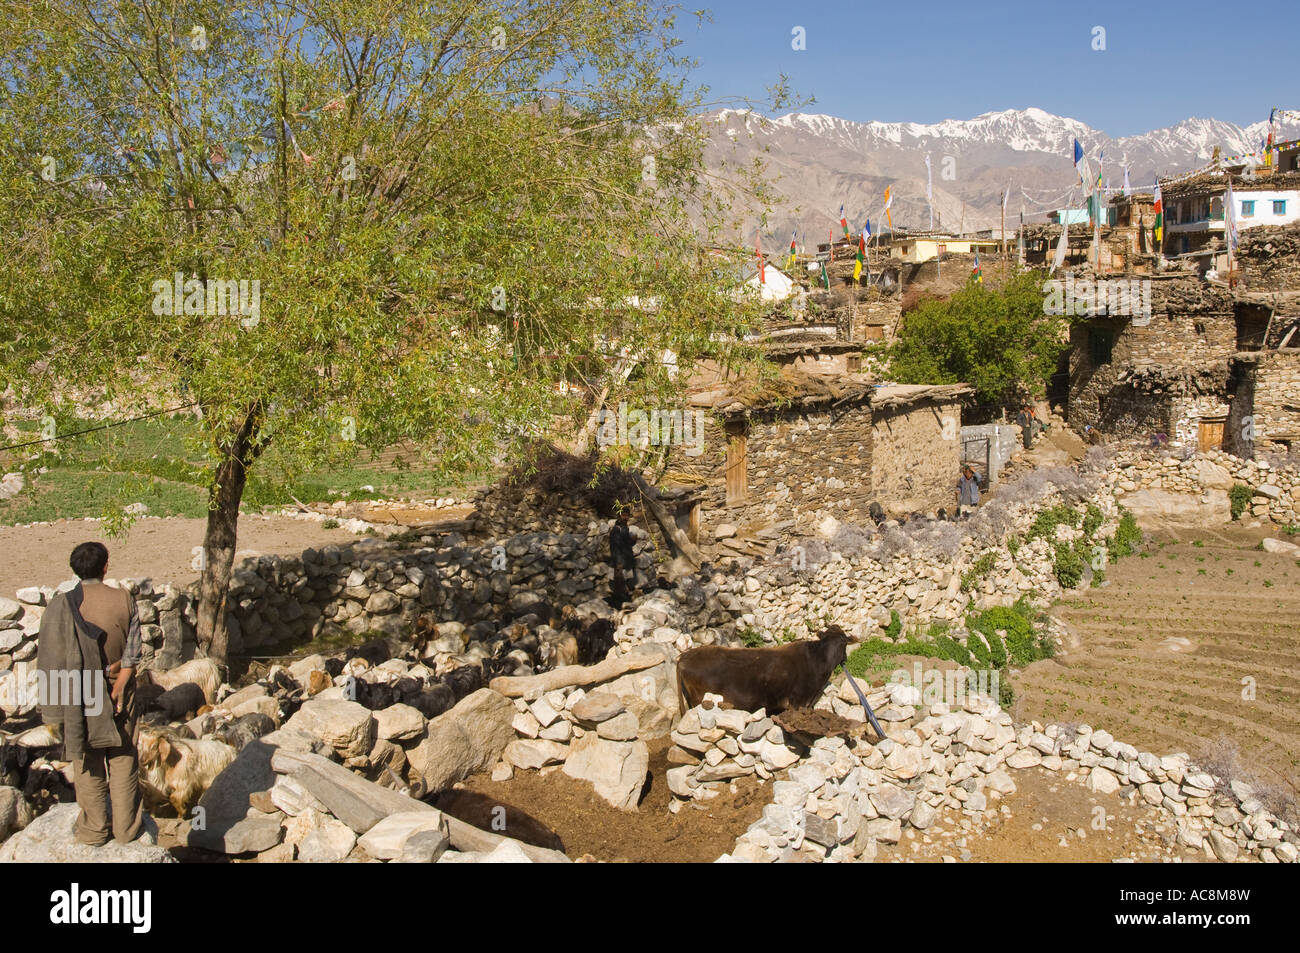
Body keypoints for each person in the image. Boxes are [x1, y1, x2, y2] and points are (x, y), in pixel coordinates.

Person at [37, 542, 144, 845]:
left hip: (79, 695)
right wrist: (120, 685)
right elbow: (134, 653)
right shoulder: (123, 598)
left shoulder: (61, 605)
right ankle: (127, 830)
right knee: (123, 757)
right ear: (105, 566)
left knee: (86, 758)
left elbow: (50, 658)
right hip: (119, 691)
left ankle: (94, 829)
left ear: (74, 569)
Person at [608, 510, 637, 606]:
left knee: (625, 582)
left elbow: (626, 544)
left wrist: (633, 540)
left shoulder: (624, 528)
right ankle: (619, 603)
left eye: (627, 515)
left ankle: (623, 601)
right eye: (623, 515)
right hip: (621, 561)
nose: (626, 517)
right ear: (619, 516)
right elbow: (615, 547)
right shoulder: (617, 529)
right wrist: (619, 562)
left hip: (626, 559)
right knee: (619, 582)